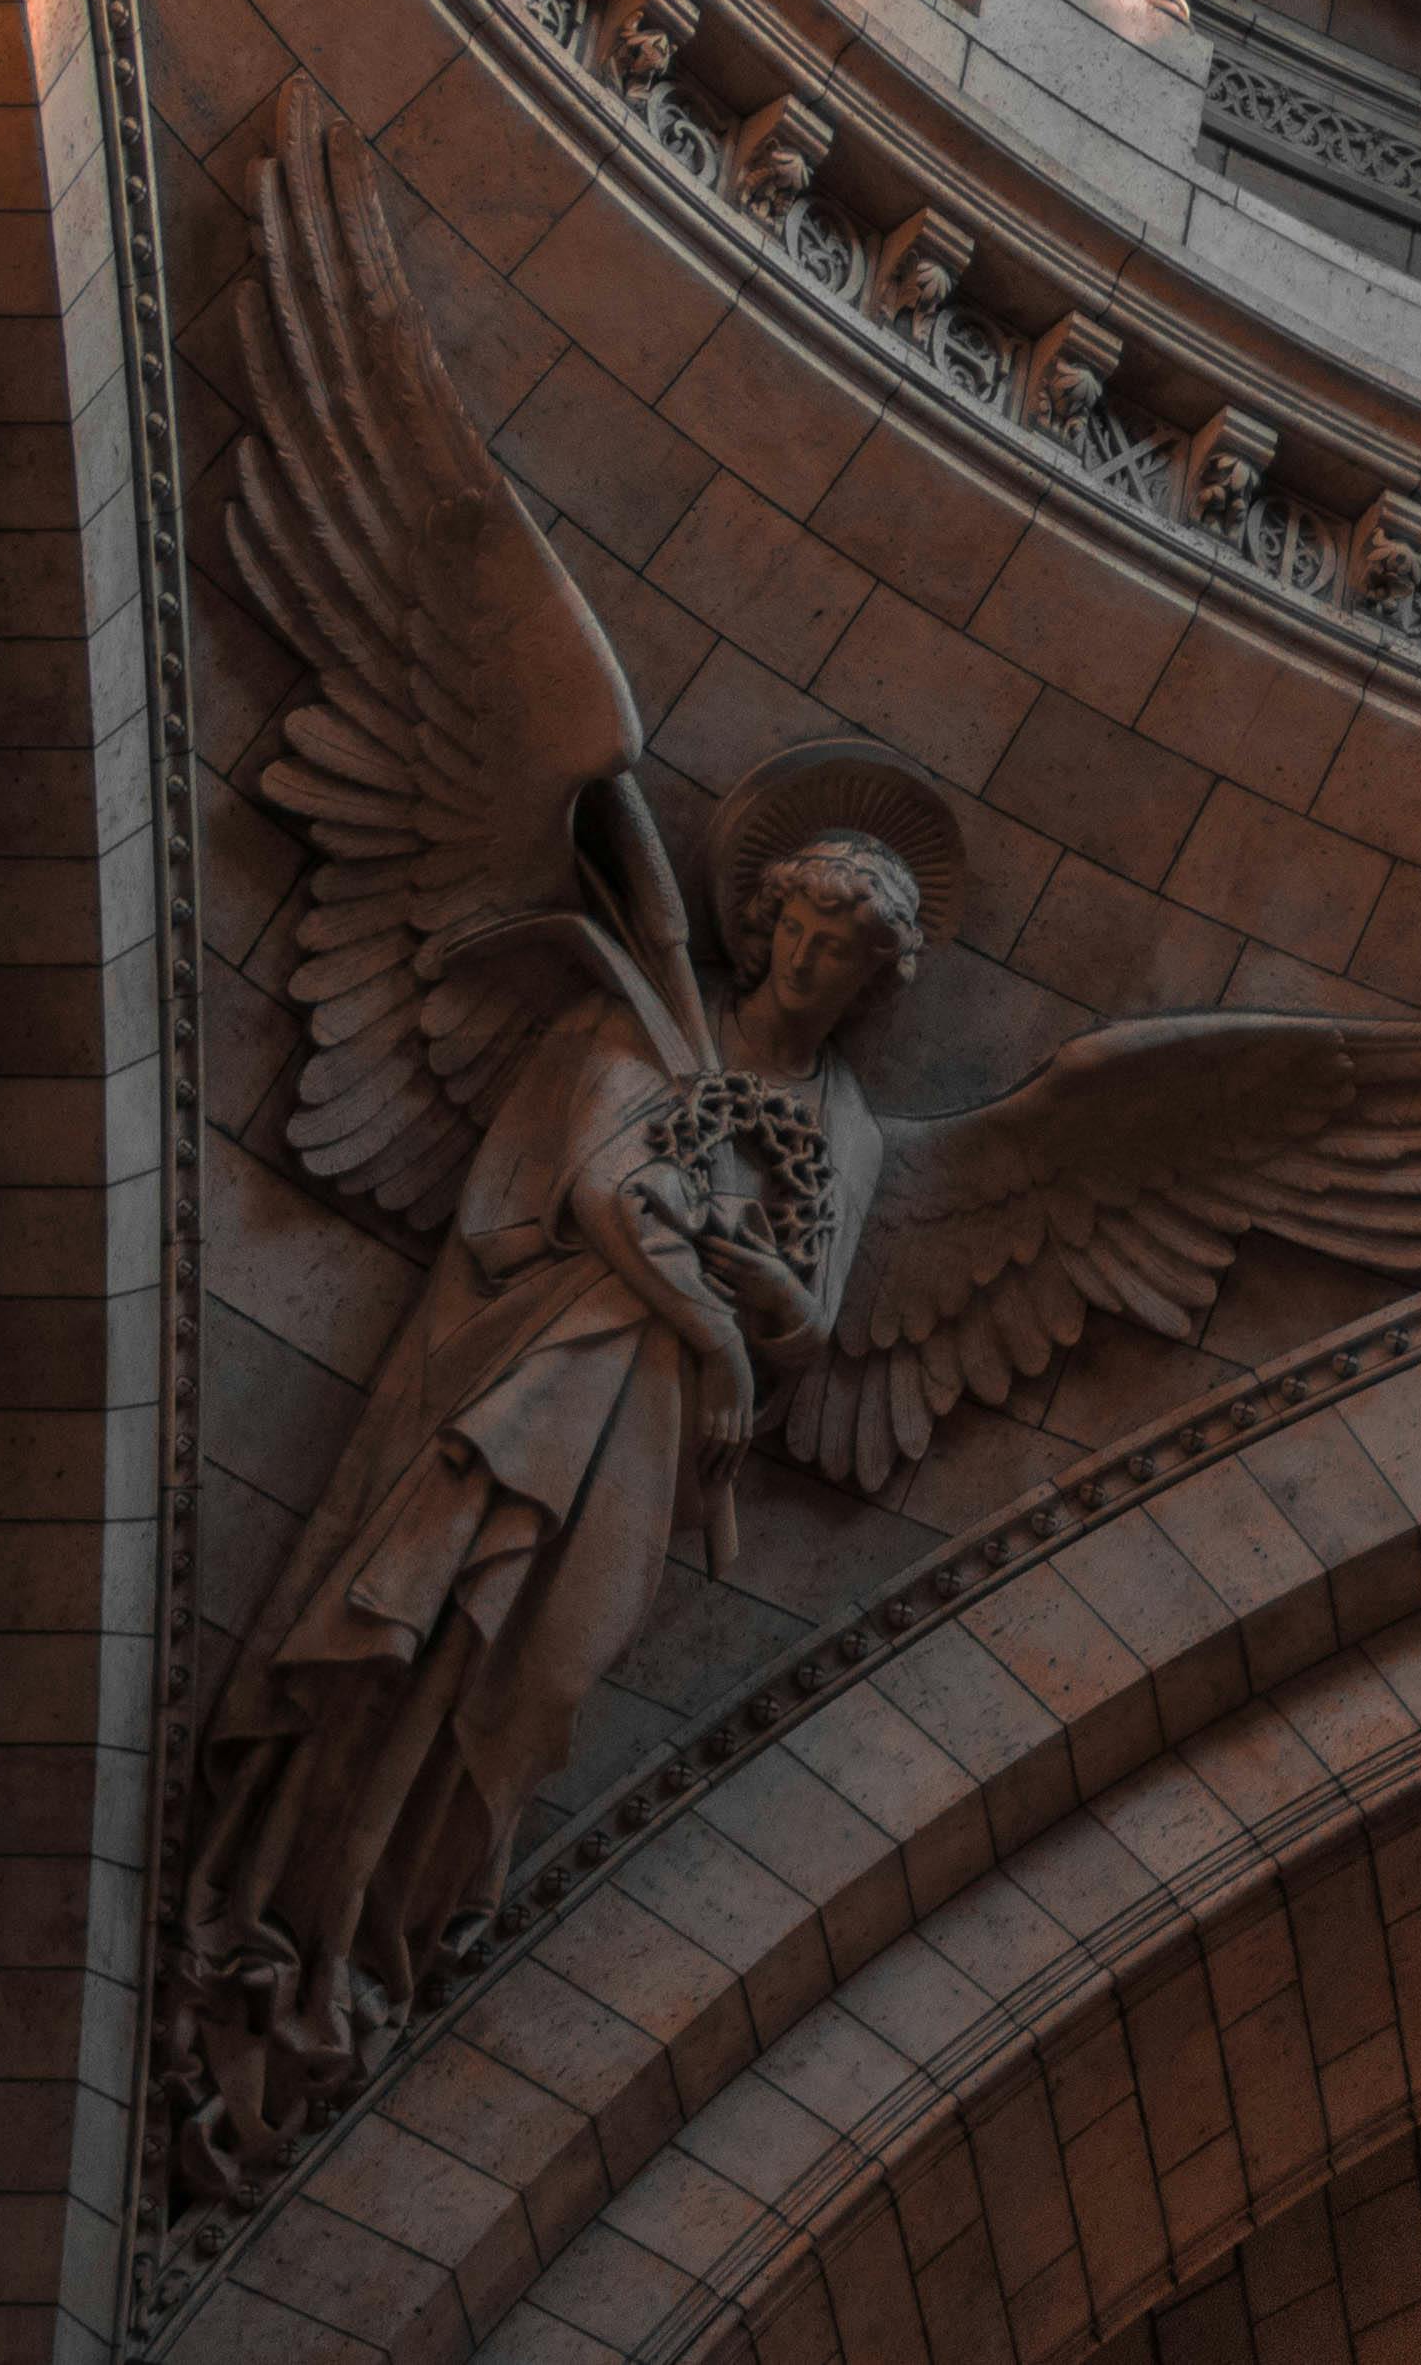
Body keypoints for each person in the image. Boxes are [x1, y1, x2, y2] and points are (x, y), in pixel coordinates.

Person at [179, 824, 922, 2170]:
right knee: (433, 1619)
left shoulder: (849, 1128)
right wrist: (717, 1338)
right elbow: (600, 1189)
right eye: (802, 930)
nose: (810, 962)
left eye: (843, 953)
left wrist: (767, 1288)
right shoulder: (646, 1012)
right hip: (555, 1362)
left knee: (549, 1672)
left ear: (874, 979)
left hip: (659, 1426)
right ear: (766, 922)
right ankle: (292, 1910)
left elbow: (813, 1319)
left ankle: (389, 1926)